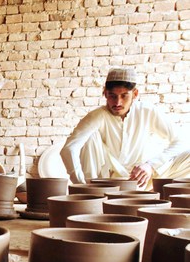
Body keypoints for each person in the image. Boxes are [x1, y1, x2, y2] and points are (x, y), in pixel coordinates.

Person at [60, 66, 190, 187]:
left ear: (135, 94)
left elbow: (180, 141)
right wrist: (81, 184)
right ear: (105, 93)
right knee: (90, 136)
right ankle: (94, 195)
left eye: (124, 96)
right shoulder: (97, 116)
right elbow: (69, 148)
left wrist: (151, 165)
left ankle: (163, 192)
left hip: (142, 177)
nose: (118, 102)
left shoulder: (147, 111)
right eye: (112, 96)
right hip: (109, 183)